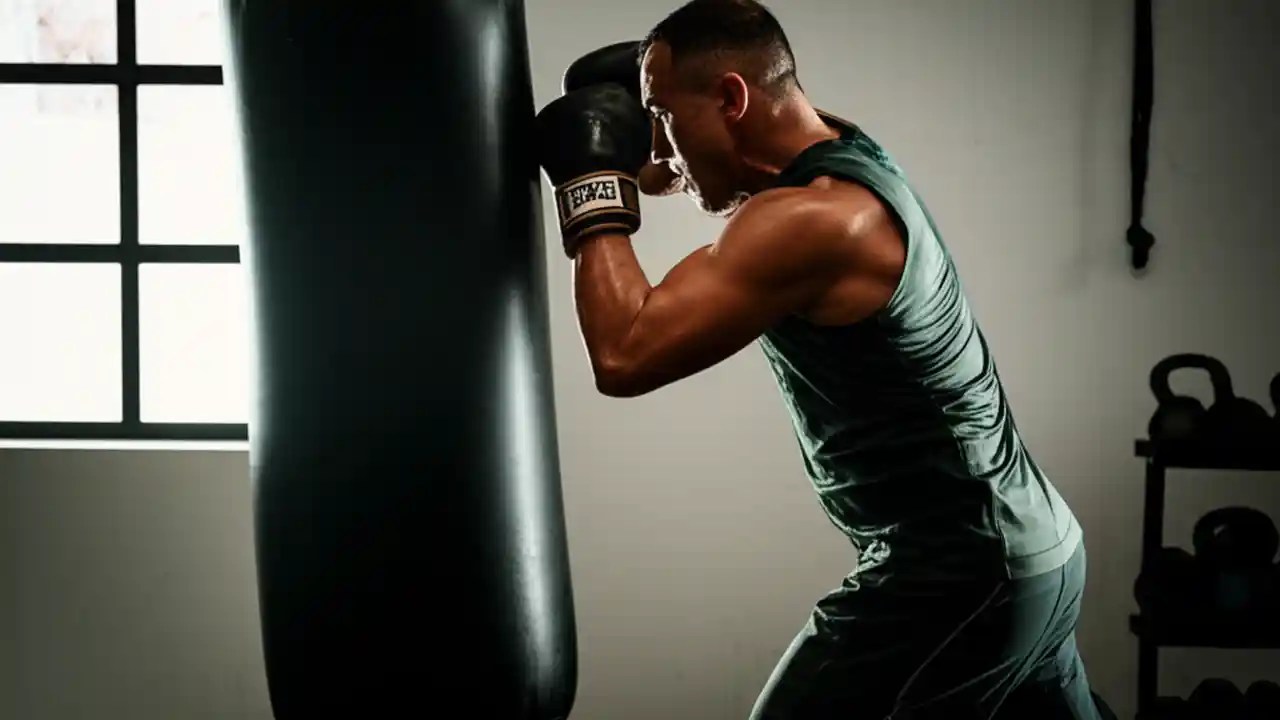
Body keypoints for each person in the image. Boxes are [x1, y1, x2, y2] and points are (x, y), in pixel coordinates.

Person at [534, 1, 1098, 718]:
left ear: (731, 98)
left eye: (666, 120)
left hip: (958, 574)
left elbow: (624, 353)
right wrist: (657, 118)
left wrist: (586, 180)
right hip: (1036, 549)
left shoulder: (813, 224)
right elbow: (691, 163)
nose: (663, 146)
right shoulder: (837, 152)